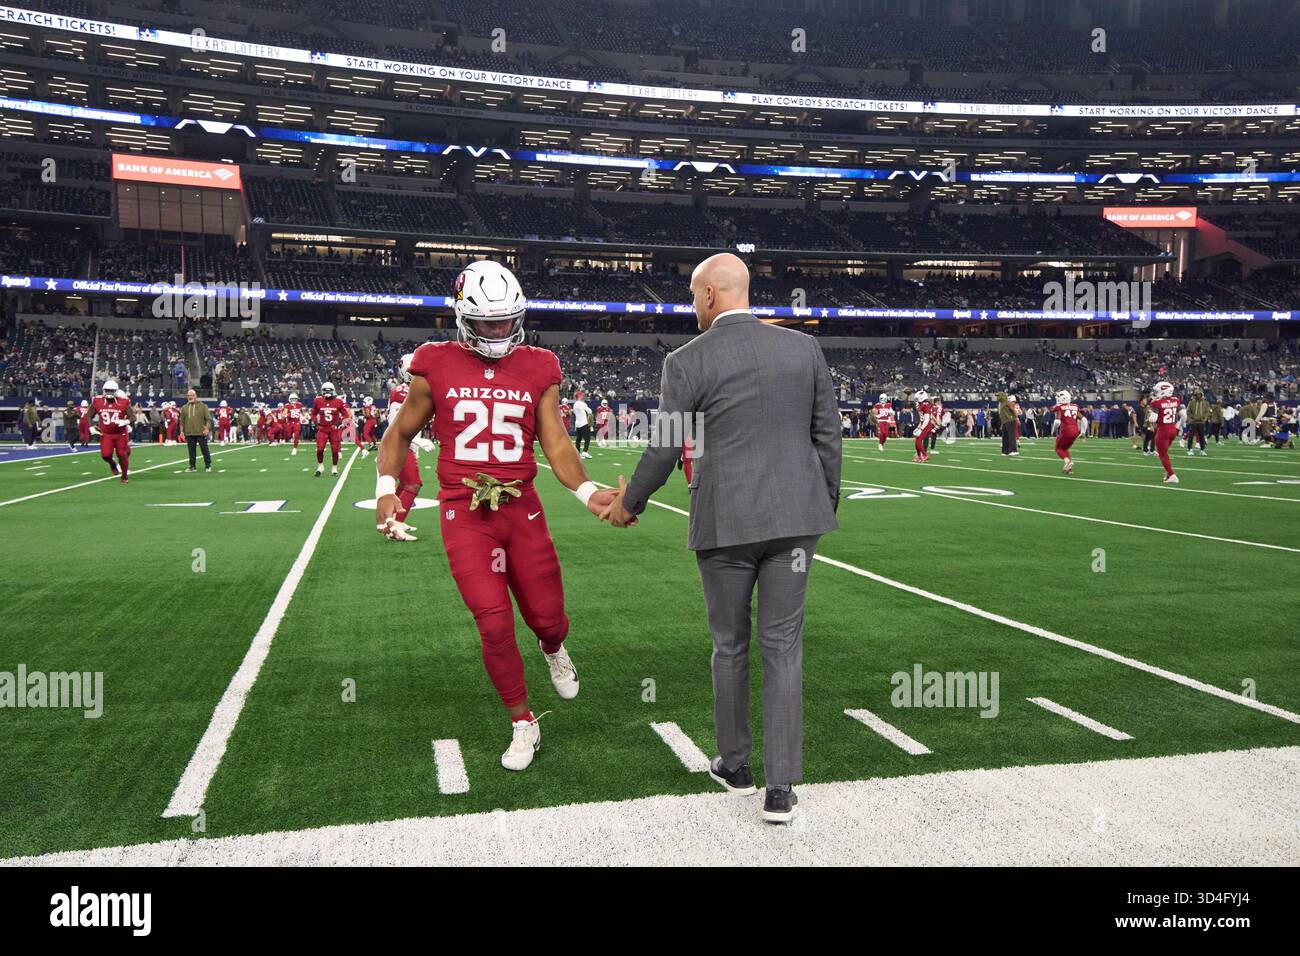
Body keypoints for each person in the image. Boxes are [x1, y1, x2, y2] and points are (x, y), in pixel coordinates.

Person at [602, 253, 841, 824]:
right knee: (783, 647)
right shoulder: (803, 348)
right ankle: (781, 789)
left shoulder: (686, 361)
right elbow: (827, 436)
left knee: (729, 644)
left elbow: (664, 446)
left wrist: (627, 504)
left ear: (709, 295)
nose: (691, 306)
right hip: (794, 523)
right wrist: (819, 506)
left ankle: (735, 763)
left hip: (724, 523)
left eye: (691, 296)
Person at [375, 261, 617, 771]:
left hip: (521, 505)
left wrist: (588, 490)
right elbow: (398, 434)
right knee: (492, 620)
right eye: (488, 322)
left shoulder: (539, 365)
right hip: (464, 510)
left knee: (549, 616)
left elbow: (554, 439)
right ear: (464, 317)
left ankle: (553, 648)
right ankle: (523, 721)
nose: (500, 330)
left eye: (508, 320)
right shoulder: (434, 362)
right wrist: (386, 489)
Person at [90, 379, 132, 482]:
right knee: (106, 455)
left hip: (120, 433)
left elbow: (132, 417)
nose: (109, 393)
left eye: (111, 390)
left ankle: (124, 476)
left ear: (116, 391)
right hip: (106, 434)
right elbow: (89, 415)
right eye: (107, 390)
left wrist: (126, 422)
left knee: (122, 454)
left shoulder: (123, 401)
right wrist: (91, 426)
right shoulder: (98, 401)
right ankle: (113, 464)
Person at [312, 383, 348, 476]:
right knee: (319, 449)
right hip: (323, 428)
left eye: (329, 391)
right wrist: (316, 423)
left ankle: (334, 467)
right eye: (325, 391)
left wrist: (341, 423)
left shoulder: (338, 402)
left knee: (335, 450)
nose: (327, 393)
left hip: (333, 429)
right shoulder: (318, 401)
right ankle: (320, 466)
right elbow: (313, 414)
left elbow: (345, 414)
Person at [1150, 380, 1181, 484]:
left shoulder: (1156, 403)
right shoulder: (1176, 400)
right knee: (1164, 453)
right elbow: (1182, 414)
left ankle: (1172, 475)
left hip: (1163, 430)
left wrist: (1150, 415)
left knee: (1162, 454)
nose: (1155, 393)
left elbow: (1153, 419)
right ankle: (1168, 474)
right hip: (1173, 429)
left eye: (1157, 391)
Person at [180, 388, 213, 473]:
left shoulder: (203, 406)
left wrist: (207, 428)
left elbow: (208, 419)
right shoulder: (184, 408)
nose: (190, 397)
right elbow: (181, 422)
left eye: (192, 395)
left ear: (195, 396)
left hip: (201, 432)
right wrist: (182, 432)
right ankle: (192, 466)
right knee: (191, 451)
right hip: (189, 433)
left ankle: (208, 465)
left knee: (204, 450)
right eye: (188, 395)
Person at [1051, 389, 1081, 474]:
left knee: (1058, 448)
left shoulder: (1059, 407)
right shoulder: (1075, 406)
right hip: (1075, 430)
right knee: (1065, 448)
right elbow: (1084, 419)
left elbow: (1057, 421)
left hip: (1066, 429)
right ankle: (1069, 468)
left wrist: (1053, 431)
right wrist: (1082, 432)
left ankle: (1068, 462)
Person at [1186, 387, 1210, 456]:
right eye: (1196, 395)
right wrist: (1192, 417)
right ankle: (1190, 449)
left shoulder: (1206, 403)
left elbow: (1207, 412)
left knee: (1202, 436)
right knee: (1191, 436)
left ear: (1201, 395)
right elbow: (1188, 411)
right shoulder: (1191, 402)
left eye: (1198, 394)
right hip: (1193, 422)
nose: (1197, 396)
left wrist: (1204, 418)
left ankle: (1202, 450)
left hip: (1201, 422)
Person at [572, 389, 593, 458]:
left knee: (578, 439)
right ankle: (585, 451)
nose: (583, 397)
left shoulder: (575, 404)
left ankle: (577, 453)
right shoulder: (582, 404)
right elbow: (590, 411)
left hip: (577, 423)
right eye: (582, 396)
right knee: (587, 438)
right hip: (583, 422)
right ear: (580, 396)